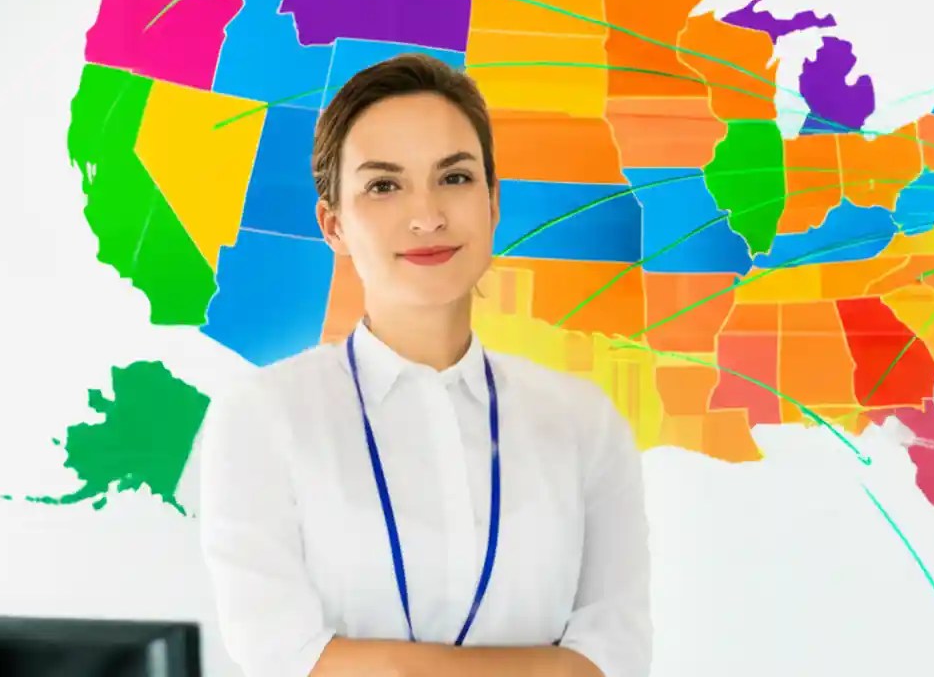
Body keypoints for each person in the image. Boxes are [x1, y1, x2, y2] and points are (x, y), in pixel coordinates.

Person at [196, 52, 653, 677]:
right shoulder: (264, 416)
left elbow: (614, 659)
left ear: (493, 202)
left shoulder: (581, 422)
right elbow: (284, 657)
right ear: (333, 224)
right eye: (384, 185)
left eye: (456, 177)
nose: (428, 215)